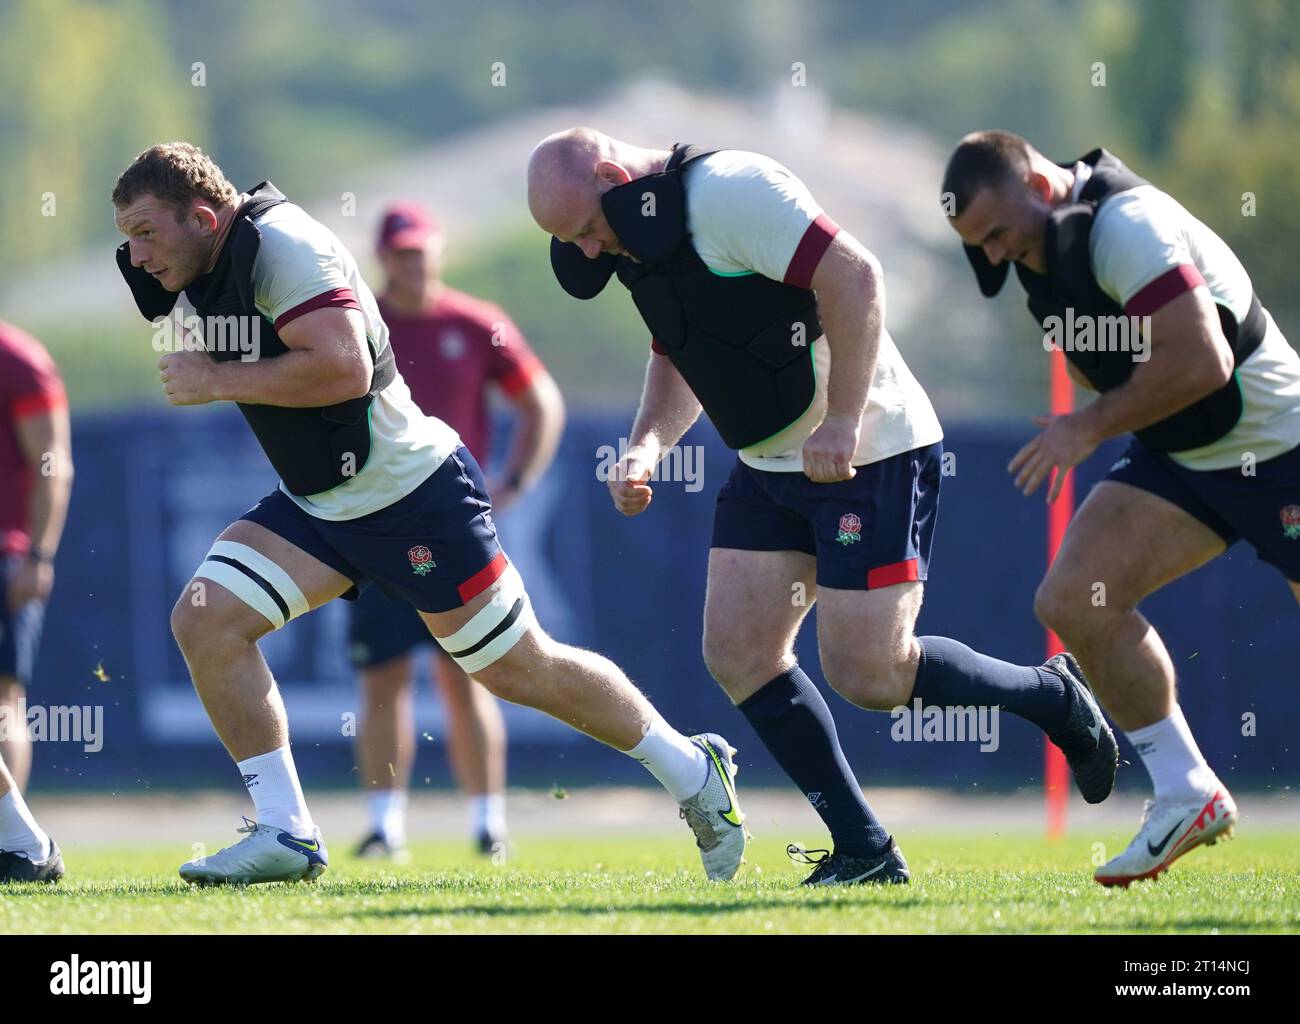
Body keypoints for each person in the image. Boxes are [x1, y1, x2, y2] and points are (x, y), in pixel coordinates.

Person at [112, 140, 746, 885]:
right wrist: (179, 307)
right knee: (206, 618)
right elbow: (175, 303)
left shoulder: (285, 245)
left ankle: (691, 767)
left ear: (203, 216)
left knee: (518, 668)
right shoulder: (174, 254)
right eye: (127, 235)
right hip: (322, 505)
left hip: (411, 494)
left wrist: (218, 377)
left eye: (148, 232)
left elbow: (345, 370)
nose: (137, 253)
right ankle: (285, 830)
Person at [528, 128, 1116, 887]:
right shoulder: (634, 237)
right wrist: (647, 447)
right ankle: (865, 849)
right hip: (768, 461)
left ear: (613, 176)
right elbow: (676, 345)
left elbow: (857, 278)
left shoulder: (732, 191)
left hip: (867, 449)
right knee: (738, 652)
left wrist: (841, 419)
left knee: (871, 672)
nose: (588, 251)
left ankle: (1052, 695)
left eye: (585, 230)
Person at [942, 130, 1300, 884]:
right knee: (1075, 599)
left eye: (1000, 234)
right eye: (981, 246)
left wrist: (1090, 425)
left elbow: (1204, 360)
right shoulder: (1043, 242)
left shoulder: (1126, 225)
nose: (998, 257)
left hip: (1276, 445)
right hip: (1184, 456)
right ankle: (1184, 791)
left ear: (1040, 188)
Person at [350, 202, 565, 860]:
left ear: (437, 252)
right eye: (399, 252)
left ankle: (486, 824)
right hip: (376, 521)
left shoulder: (476, 324)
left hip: (452, 525)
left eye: (421, 250)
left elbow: (540, 402)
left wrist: (515, 483)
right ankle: (386, 826)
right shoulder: (360, 323)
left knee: (470, 675)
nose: (411, 263)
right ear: (382, 257)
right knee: (382, 677)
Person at [0, 319, 72, 882]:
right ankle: (17, 839)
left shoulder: (18, 358)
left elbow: (52, 462)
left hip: (6, 554)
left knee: (5, 705)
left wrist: (39, 556)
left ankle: (16, 839)